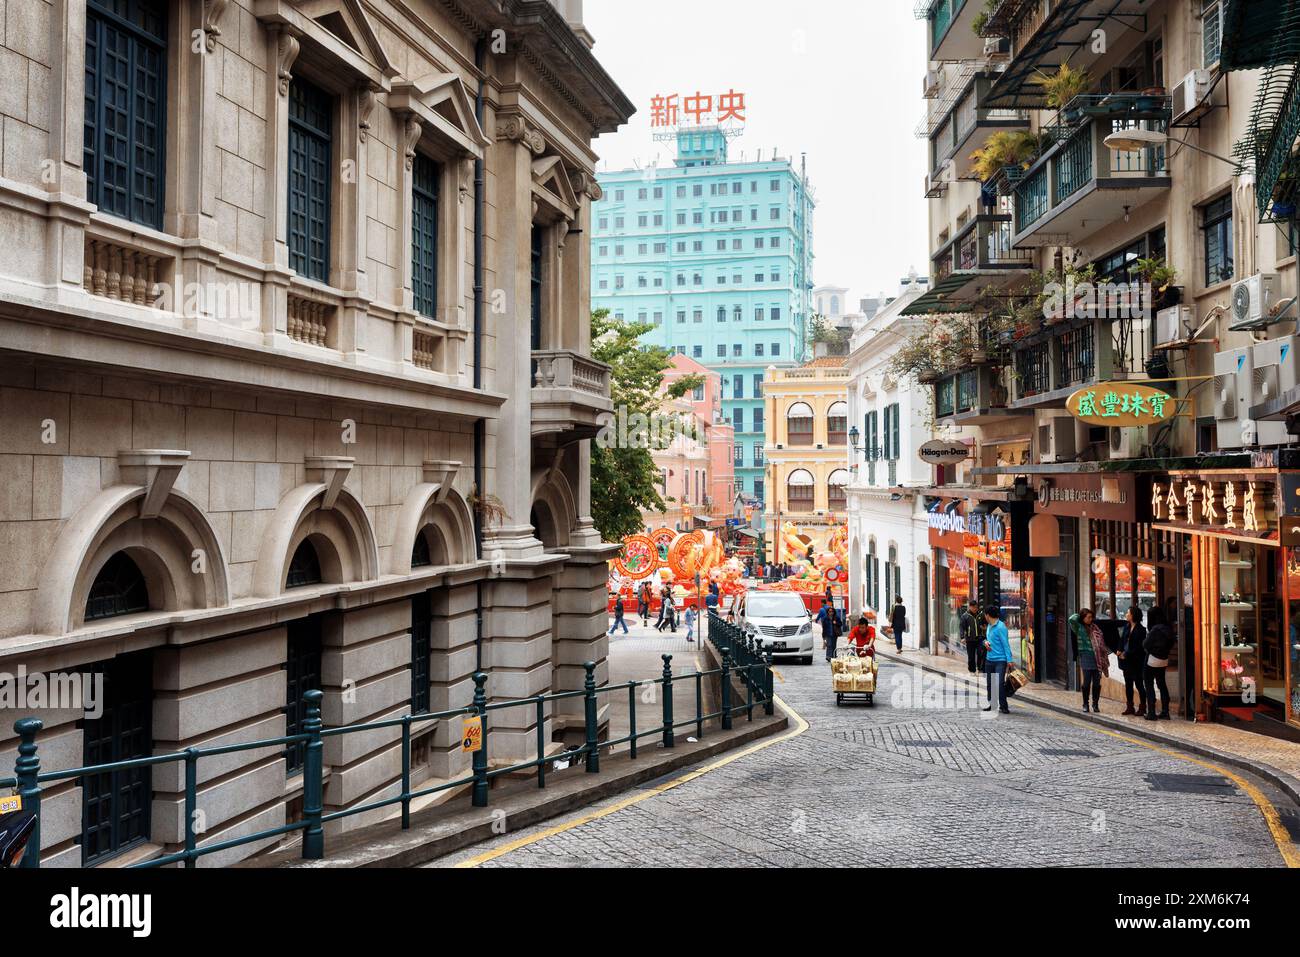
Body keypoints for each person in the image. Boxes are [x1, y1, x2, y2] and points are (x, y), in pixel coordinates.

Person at [1069, 608, 1110, 713]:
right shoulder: (1078, 627)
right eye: (1088, 617)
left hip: (1097, 658)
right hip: (1085, 656)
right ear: (1083, 618)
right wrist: (1080, 616)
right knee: (1086, 682)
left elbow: (1101, 642)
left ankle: (1095, 704)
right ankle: (1085, 704)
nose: (1091, 619)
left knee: (1097, 683)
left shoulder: (1095, 627)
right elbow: (1071, 619)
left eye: (1092, 617)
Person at [1143, 606, 1175, 720]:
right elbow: (1172, 642)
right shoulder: (1168, 628)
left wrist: (1152, 649)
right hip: (1164, 659)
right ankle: (1165, 711)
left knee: (1149, 685)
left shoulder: (1155, 630)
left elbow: (1145, 644)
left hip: (1152, 659)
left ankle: (1151, 712)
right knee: (1162, 684)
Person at [983, 605, 1013, 714]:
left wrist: (1009, 660)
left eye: (985, 615)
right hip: (989, 659)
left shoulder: (1001, 627)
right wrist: (985, 642)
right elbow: (987, 639)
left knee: (999, 683)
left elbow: (1006, 644)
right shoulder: (989, 626)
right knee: (990, 684)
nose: (984, 616)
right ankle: (992, 704)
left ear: (988, 615)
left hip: (1000, 660)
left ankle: (1004, 706)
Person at [1120, 605, 1148, 716]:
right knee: (1128, 684)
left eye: (1128, 613)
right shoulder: (1126, 627)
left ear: (1133, 615)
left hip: (1136, 661)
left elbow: (1138, 647)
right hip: (1126, 662)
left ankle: (1143, 707)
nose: (1126, 614)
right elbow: (1122, 640)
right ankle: (1130, 706)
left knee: (1139, 684)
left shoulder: (1141, 630)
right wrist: (1119, 650)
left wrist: (1126, 654)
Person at [960, 600, 983, 674]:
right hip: (970, 639)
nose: (975, 609)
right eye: (973, 607)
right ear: (970, 607)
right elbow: (961, 627)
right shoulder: (965, 616)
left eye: (976, 607)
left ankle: (980, 669)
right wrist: (962, 637)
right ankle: (972, 670)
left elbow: (984, 624)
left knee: (980, 653)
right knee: (971, 656)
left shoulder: (980, 615)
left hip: (979, 638)